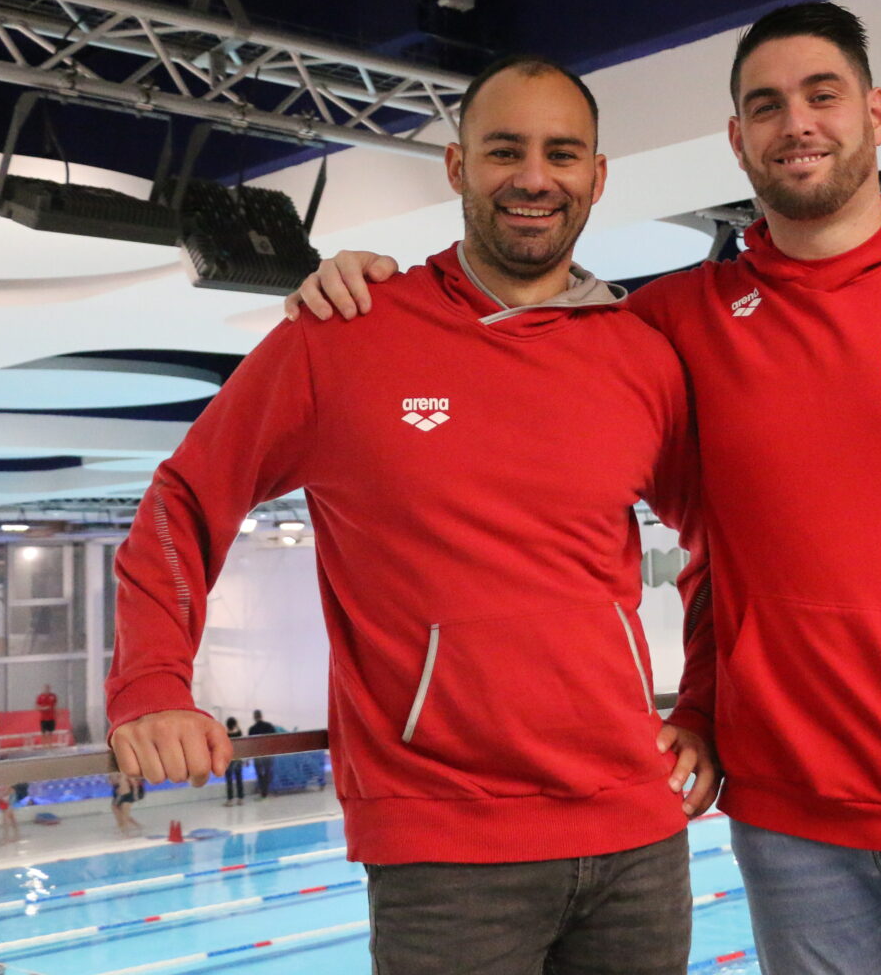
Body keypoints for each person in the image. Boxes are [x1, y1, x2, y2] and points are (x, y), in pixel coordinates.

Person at [290, 2, 881, 974]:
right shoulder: (684, 319)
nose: (795, 122)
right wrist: (381, 294)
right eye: (766, 105)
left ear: (877, 114)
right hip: (791, 827)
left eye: (823, 95)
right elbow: (525, 331)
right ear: (736, 139)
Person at [106, 56, 716, 975]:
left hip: (638, 835)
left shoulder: (639, 357)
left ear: (597, 176)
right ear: (456, 166)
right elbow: (187, 497)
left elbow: (723, 543)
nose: (534, 178)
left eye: (562, 153)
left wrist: (703, 704)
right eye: (504, 150)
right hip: (446, 852)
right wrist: (152, 684)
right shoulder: (349, 331)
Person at [244, 708, 277, 800]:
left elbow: (250, 744)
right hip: (268, 754)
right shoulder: (269, 726)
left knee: (259, 773)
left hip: (257, 755)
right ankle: (265, 791)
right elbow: (275, 739)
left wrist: (247, 759)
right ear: (261, 716)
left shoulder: (252, 729)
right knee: (268, 772)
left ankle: (263, 792)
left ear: (254, 717)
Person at [223, 716, 245, 806]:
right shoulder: (239, 733)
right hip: (238, 758)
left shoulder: (225, 735)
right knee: (239, 779)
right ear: (235, 725)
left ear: (227, 725)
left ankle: (230, 800)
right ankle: (240, 799)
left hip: (229, 759)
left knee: (229, 780)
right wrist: (237, 725)